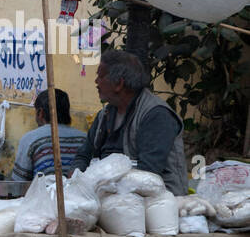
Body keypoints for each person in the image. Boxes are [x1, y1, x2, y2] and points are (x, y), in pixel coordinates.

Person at [73, 49, 186, 195]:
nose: (96, 82)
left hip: (159, 202)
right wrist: (75, 175)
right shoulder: (105, 115)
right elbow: (84, 155)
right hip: (114, 195)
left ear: (119, 84)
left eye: (100, 76)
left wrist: (99, 183)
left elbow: (148, 172)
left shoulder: (157, 115)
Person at [12, 88, 88, 181]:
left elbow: (19, 181)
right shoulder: (85, 139)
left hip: (43, 194)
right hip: (80, 194)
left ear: (40, 112)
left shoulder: (30, 139)